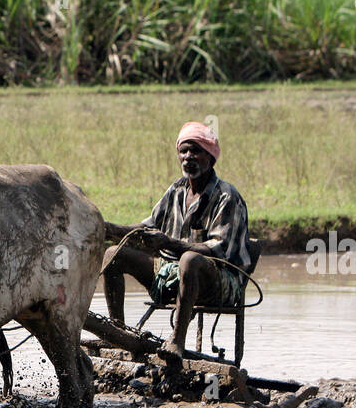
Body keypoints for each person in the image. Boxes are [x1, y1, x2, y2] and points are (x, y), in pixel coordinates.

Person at [101, 122, 253, 358]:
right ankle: (116, 334)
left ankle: (176, 342)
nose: (188, 157)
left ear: (210, 157)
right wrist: (110, 229)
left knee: (190, 260)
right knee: (113, 255)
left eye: (195, 151)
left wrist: (169, 243)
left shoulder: (226, 196)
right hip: (171, 272)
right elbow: (146, 226)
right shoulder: (176, 190)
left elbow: (217, 250)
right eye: (183, 151)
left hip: (220, 280)